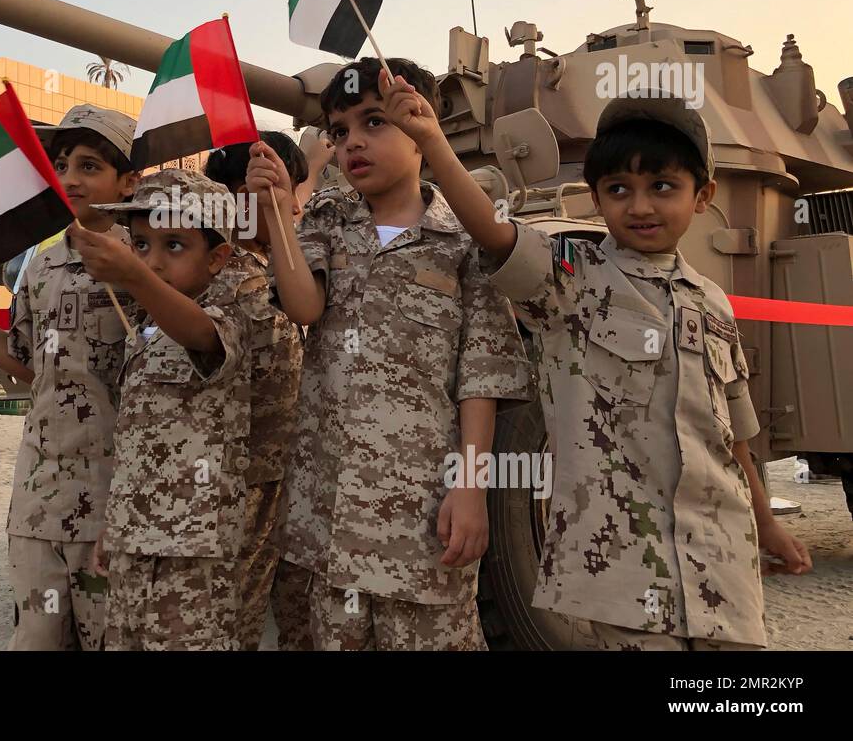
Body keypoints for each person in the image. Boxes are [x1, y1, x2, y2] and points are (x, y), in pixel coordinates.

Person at [393, 77, 813, 649]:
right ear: (597, 198)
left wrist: (766, 525)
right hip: (624, 568)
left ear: (703, 195)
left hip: (722, 567)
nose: (640, 206)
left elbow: (734, 438)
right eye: (618, 189)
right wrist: (432, 142)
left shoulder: (711, 301)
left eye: (662, 186)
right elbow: (495, 234)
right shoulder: (574, 278)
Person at [246, 57, 533, 650]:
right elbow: (303, 306)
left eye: (374, 122)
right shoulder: (328, 219)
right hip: (331, 510)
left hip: (424, 512)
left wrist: (472, 488)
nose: (353, 142)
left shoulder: (462, 239)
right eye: (340, 130)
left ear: (420, 126)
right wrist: (277, 209)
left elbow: (479, 376)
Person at [0, 105, 140, 650]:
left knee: (110, 636)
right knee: (36, 633)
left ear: (128, 181)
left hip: (116, 492)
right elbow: (22, 363)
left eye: (90, 166)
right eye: (62, 164)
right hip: (40, 491)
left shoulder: (147, 261)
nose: (70, 179)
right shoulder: (42, 265)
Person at [76, 170, 261, 650]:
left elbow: (202, 336)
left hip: (193, 555)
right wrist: (114, 527)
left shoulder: (231, 313)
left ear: (218, 258)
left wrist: (134, 275)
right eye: (140, 245)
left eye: (174, 246)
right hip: (134, 544)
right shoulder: (146, 328)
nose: (153, 262)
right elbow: (138, 441)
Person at [204, 133, 310, 650]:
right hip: (246, 488)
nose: (291, 206)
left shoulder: (284, 273)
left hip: (286, 483)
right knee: (236, 618)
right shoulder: (230, 283)